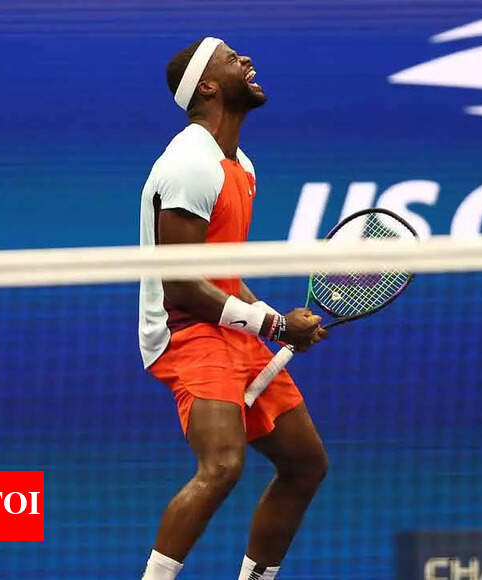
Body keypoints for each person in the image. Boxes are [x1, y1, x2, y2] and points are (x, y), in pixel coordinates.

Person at [137, 37, 329, 580]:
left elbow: (221, 276)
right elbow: (181, 285)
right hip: (184, 333)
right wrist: (272, 322)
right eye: (232, 58)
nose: (247, 61)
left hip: (226, 326)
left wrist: (273, 320)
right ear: (208, 84)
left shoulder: (239, 165)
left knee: (305, 464)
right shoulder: (189, 164)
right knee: (222, 464)